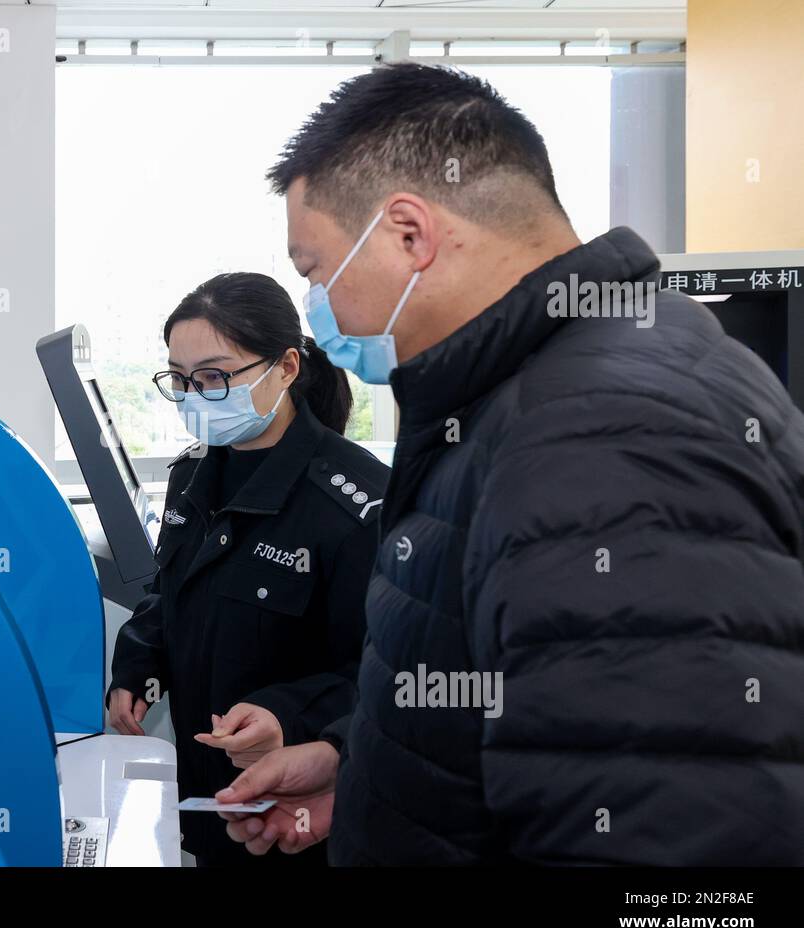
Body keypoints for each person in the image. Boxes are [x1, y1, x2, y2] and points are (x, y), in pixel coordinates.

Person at [218, 63, 804, 865]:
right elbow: (520, 698)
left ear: (409, 235)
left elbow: (668, 843)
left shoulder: (602, 437)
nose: (323, 313)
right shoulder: (531, 393)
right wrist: (360, 767)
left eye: (314, 272)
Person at [105, 272, 389, 866]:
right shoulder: (193, 477)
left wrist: (288, 714)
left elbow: (383, 670)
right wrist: (137, 664)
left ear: (286, 367)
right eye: (179, 380)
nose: (192, 396)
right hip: (211, 806)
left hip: (306, 819)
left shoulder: (354, 502)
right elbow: (171, 592)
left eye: (213, 376)